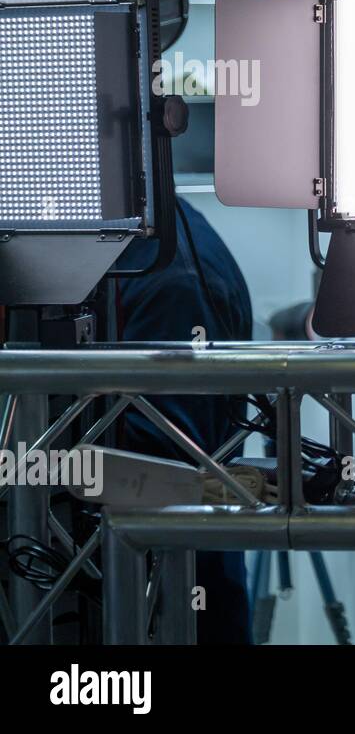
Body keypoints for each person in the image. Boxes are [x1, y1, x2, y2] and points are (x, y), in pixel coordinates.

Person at [113, 198, 253, 644]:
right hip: (155, 577)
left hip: (167, 590)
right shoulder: (147, 247)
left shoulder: (170, 274)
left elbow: (163, 469)